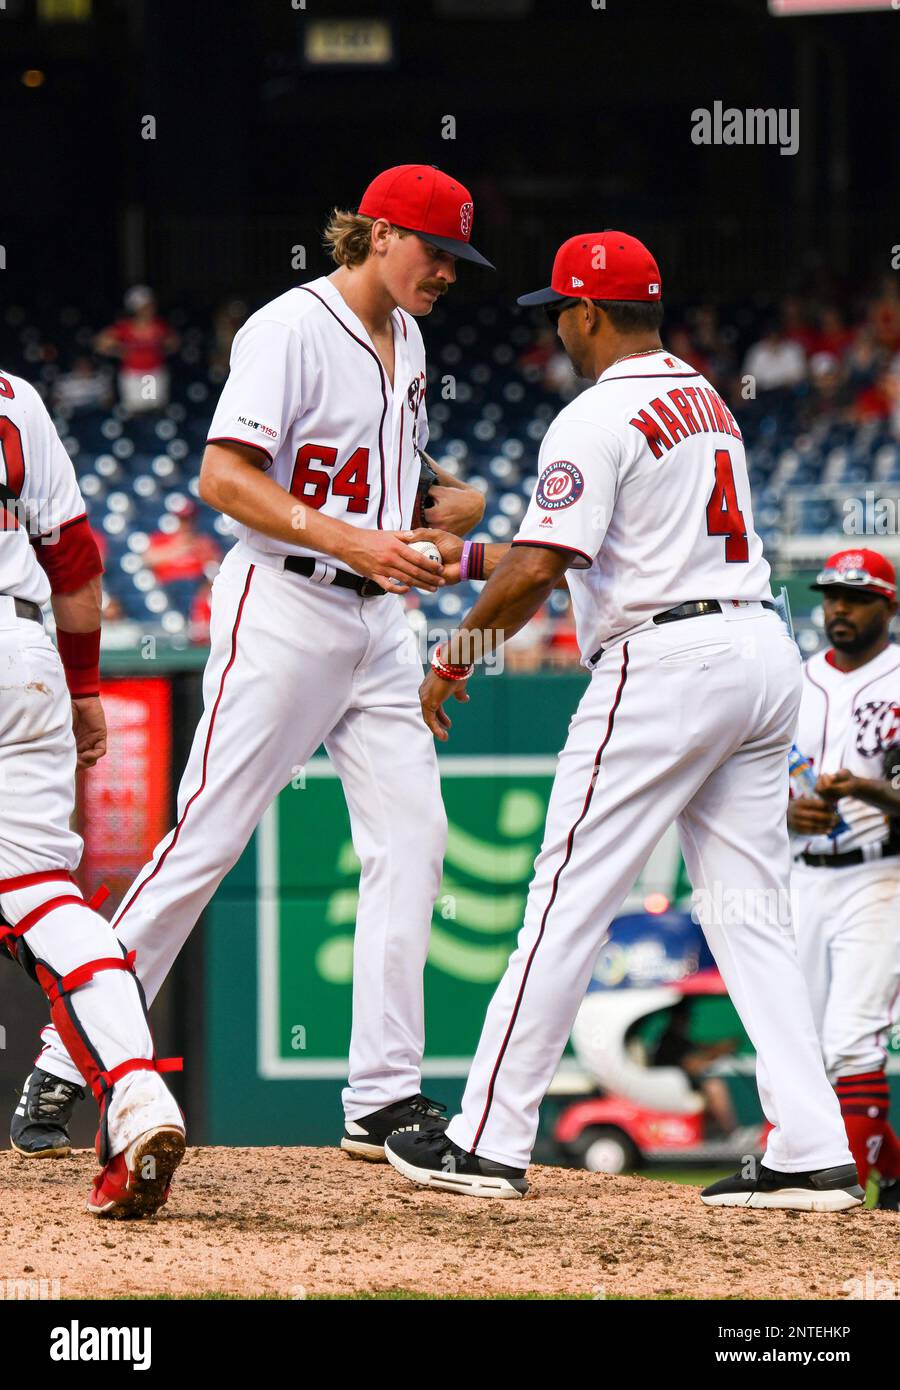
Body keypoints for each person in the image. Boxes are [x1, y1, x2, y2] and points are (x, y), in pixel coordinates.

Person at [16, 164, 489, 1163]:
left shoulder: (407, 339)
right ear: (378, 233)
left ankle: (383, 1097)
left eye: (454, 259)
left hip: (377, 625)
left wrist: (448, 513)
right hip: (283, 606)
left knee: (418, 840)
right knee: (207, 841)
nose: (446, 273)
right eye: (436, 251)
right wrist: (359, 540)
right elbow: (223, 477)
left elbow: (405, 483)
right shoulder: (289, 328)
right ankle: (69, 1050)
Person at [384, 230, 862, 1211]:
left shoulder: (595, 415)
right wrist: (471, 560)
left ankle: (484, 1139)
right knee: (749, 914)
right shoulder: (705, 397)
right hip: (757, 651)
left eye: (559, 308)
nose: (556, 326)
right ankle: (813, 1146)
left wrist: (454, 656)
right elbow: (597, 548)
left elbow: (548, 563)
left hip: (667, 668)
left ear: (589, 314)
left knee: (566, 898)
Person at [0, 366, 184, 1216]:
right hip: (23, 651)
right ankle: (138, 1089)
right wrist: (79, 691)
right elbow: (73, 560)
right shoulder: (14, 396)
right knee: (41, 895)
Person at [788, 548, 900, 1213]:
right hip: (802, 876)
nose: (839, 608)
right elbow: (752, 784)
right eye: (831, 595)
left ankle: (846, 1195)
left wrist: (866, 789)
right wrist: (786, 811)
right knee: (797, 1040)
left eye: (855, 597)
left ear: (889, 605)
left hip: (880, 875)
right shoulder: (795, 681)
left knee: (852, 1037)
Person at [650, 998, 738, 1136]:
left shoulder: (678, 1038)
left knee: (711, 1085)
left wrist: (721, 1048)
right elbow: (693, 1064)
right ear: (677, 1019)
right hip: (670, 1088)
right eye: (685, 1018)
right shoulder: (669, 1041)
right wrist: (715, 1054)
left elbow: (701, 1047)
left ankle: (718, 1134)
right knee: (714, 1087)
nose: (688, 1022)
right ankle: (733, 1134)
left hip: (679, 1085)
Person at [94, 286, 180, 413]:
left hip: (154, 373)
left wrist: (161, 349)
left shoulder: (159, 325)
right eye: (145, 307)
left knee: (155, 409)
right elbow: (100, 344)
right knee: (135, 410)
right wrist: (120, 351)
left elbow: (174, 343)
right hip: (133, 374)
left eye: (150, 306)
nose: (149, 310)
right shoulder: (125, 327)